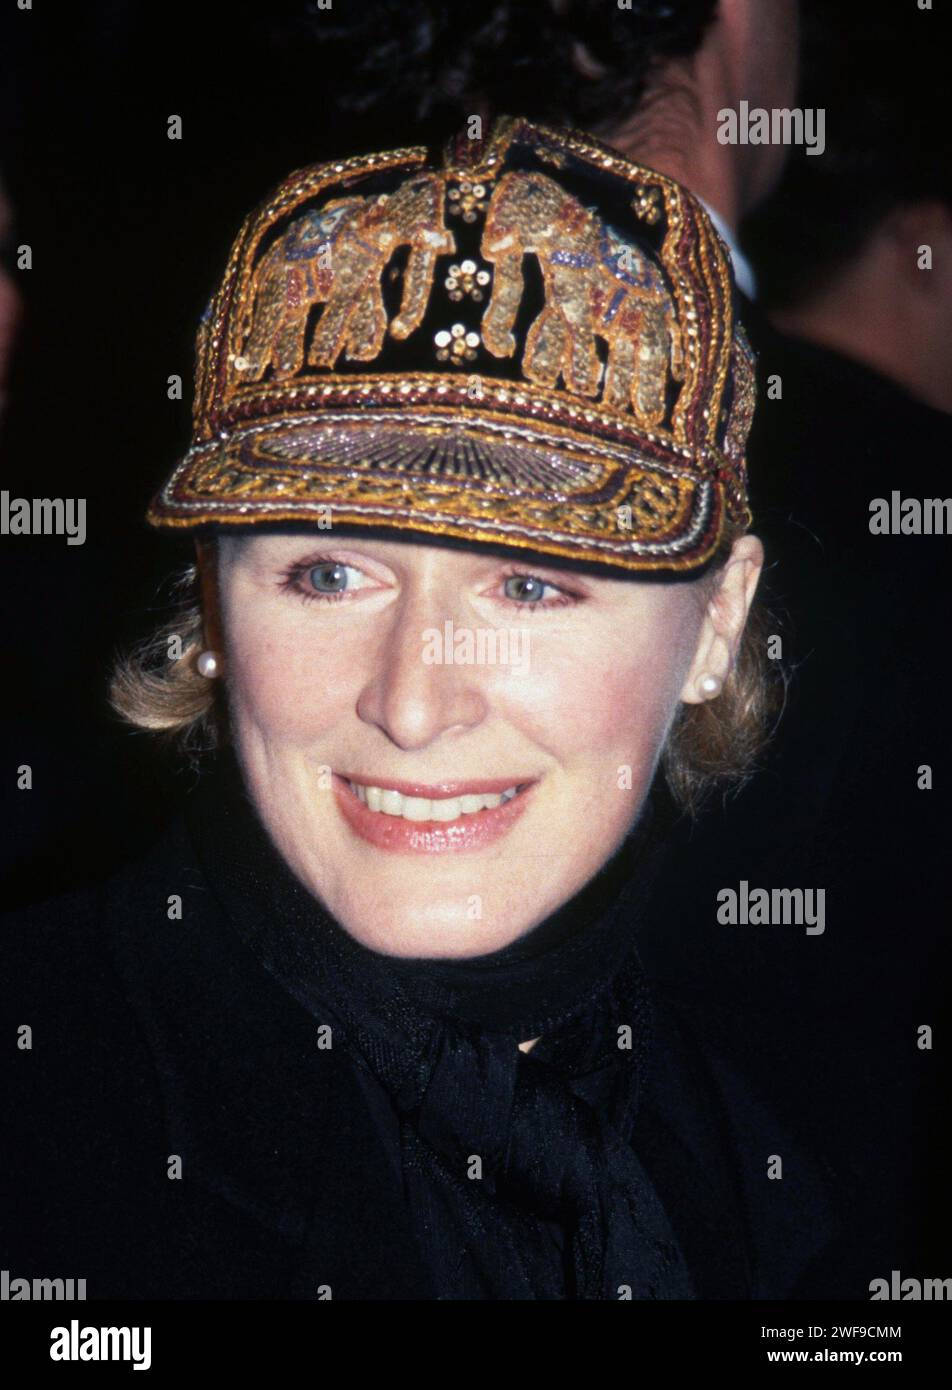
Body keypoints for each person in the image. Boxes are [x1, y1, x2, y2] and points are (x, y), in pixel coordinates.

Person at [1, 114, 855, 1302]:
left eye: (527, 582)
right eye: (328, 574)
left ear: (715, 625)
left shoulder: (759, 1168)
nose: (410, 701)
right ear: (210, 606)